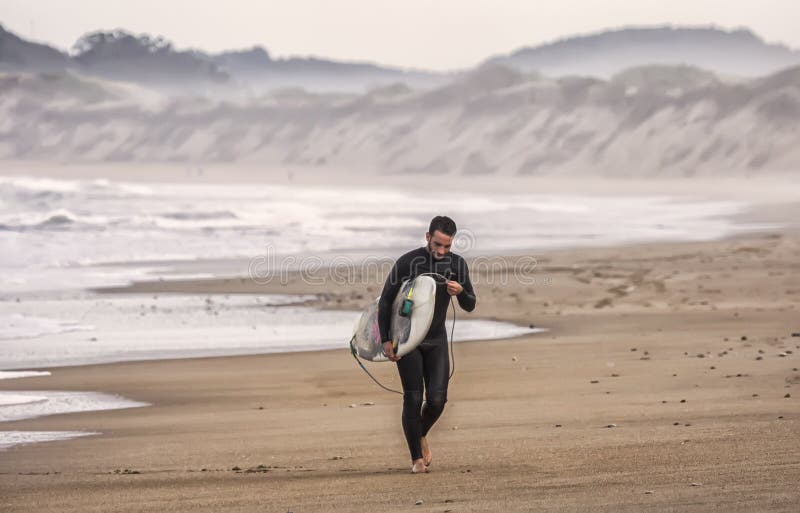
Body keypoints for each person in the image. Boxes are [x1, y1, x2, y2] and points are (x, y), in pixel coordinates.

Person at [377, 215, 477, 473]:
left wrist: (461, 292)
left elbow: (470, 304)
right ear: (427, 237)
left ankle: (418, 434)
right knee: (413, 398)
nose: (442, 251)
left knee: (437, 400)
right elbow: (386, 301)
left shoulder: (456, 264)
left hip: (436, 340)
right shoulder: (408, 262)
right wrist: (386, 339)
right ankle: (416, 460)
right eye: (437, 244)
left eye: (447, 246)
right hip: (408, 340)